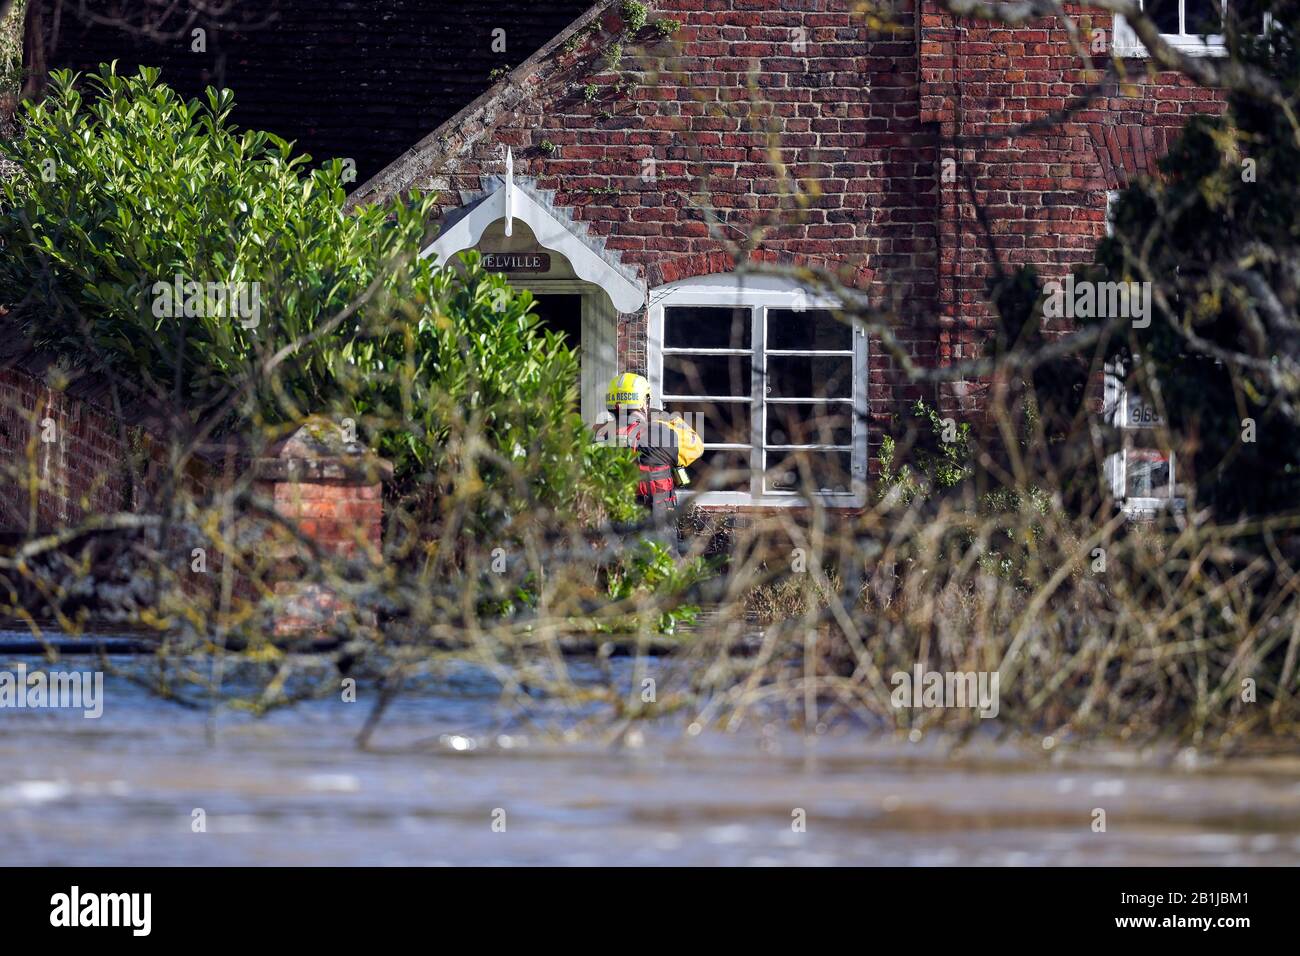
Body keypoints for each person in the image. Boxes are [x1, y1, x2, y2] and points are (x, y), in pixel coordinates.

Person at [599, 372, 702, 532]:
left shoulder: (599, 434)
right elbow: (696, 445)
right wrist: (669, 419)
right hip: (659, 523)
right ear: (643, 402)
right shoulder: (664, 432)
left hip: (615, 523)